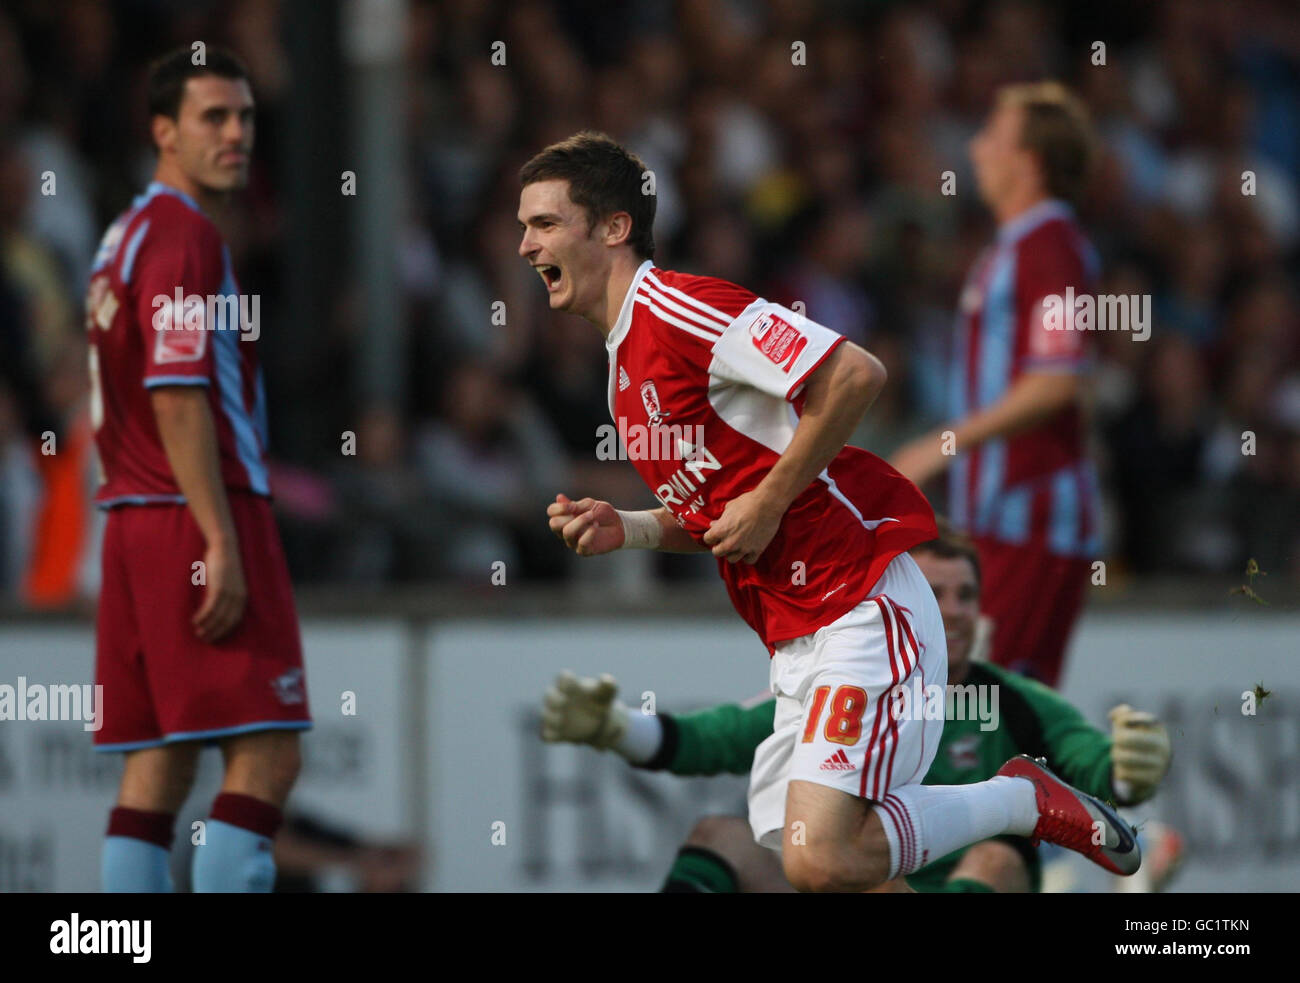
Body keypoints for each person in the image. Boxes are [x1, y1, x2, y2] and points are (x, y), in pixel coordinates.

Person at [523, 130, 1138, 891]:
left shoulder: (680, 308)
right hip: (795, 642)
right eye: (524, 226)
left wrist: (773, 495)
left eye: (544, 222)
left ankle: (1019, 798)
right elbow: (729, 514)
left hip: (860, 604)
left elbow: (853, 373)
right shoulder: (621, 367)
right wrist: (633, 527)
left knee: (819, 856)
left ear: (614, 227)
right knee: (834, 871)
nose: (526, 245)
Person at [540, 521, 1173, 892]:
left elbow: (1093, 770)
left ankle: (1013, 805)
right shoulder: (850, 684)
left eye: (966, 595)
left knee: (998, 860)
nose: (950, 609)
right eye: (935, 593)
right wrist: (615, 727)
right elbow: (712, 738)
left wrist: (1130, 769)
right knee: (720, 837)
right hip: (859, 881)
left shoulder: (1011, 701)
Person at [88, 47, 310, 892]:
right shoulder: (184, 235)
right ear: (162, 131)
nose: (235, 134)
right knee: (268, 753)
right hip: (197, 512)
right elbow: (177, 391)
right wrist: (219, 534)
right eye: (212, 118)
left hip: (132, 521)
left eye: (245, 116)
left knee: (155, 769)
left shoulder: (125, 234)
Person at [891, 82, 1102, 688]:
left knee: (992, 707)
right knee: (987, 704)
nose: (977, 151)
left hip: (1030, 516)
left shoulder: (1049, 247)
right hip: (1002, 515)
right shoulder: (1019, 248)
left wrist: (937, 446)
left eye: (992, 137)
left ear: (1028, 162)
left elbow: (1057, 381)